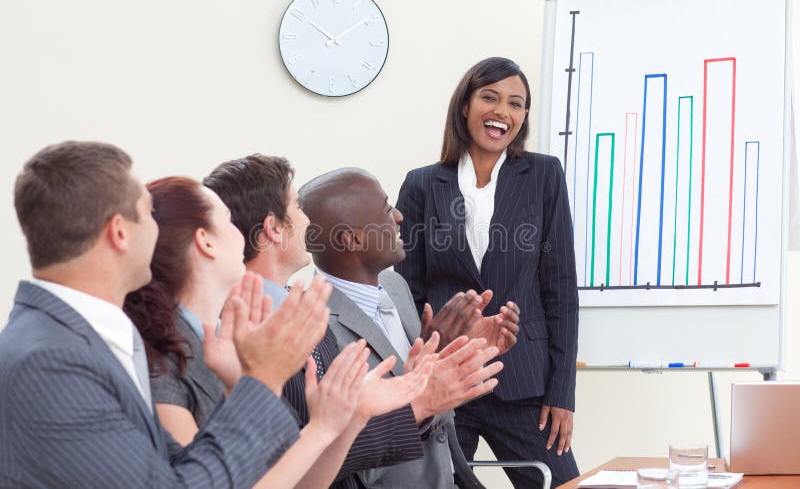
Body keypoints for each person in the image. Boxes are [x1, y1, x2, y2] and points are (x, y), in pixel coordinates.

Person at [0, 141, 331, 488]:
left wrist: (243, 387)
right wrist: (261, 379)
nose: (158, 230)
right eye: (146, 214)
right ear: (119, 233)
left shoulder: (81, 341)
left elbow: (183, 470)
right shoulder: (50, 361)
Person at [204, 155, 516, 489]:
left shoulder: (387, 290)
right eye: (297, 208)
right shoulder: (290, 324)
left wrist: (455, 355)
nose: (307, 223)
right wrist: (421, 394)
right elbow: (314, 455)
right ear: (273, 228)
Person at [124, 176, 429, 488]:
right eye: (228, 222)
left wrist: (334, 424)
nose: (242, 235)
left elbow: (292, 480)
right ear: (206, 241)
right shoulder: (162, 364)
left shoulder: (218, 344)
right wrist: (266, 386)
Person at [395, 57, 581, 488]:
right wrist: (415, 378)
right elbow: (407, 290)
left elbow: (560, 290)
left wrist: (561, 392)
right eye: (490, 98)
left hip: (524, 383)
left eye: (516, 104)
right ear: (466, 105)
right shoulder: (423, 184)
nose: (503, 112)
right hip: (447, 381)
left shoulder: (543, 175)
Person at [299, 167, 521, 489]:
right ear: (352, 238)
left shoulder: (395, 285)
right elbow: (347, 463)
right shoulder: (313, 329)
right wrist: (426, 376)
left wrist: (455, 352)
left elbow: (436, 405)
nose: (399, 216)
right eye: (387, 209)